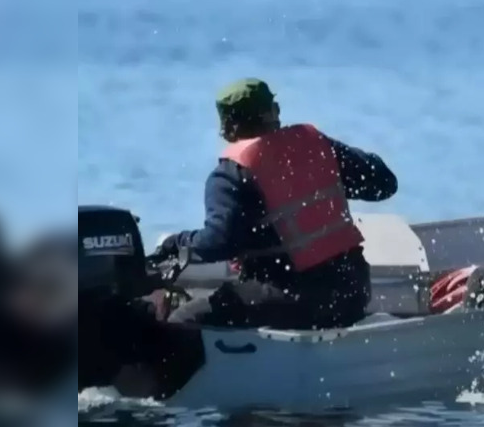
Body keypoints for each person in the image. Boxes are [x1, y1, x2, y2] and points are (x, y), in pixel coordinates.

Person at [155, 78, 397, 330]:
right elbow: (384, 183)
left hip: (290, 299)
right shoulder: (317, 145)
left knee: (181, 320)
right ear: (275, 112)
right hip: (351, 292)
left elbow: (219, 243)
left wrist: (177, 243)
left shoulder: (230, 174)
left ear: (227, 127)